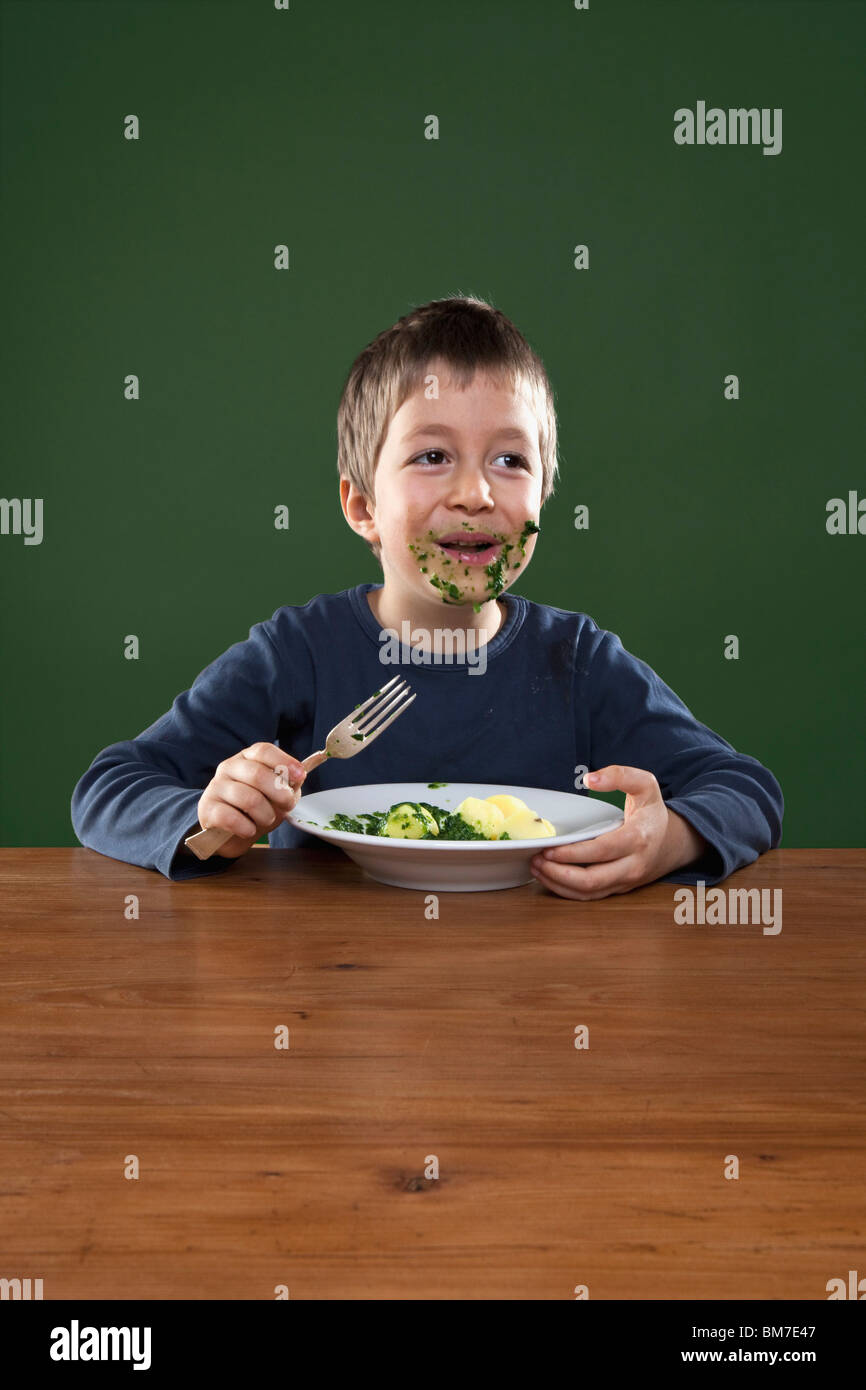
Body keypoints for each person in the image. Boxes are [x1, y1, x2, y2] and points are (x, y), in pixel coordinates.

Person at [70, 295, 783, 899]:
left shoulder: (579, 662)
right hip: (326, 999)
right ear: (362, 507)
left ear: (543, 495)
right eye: (432, 456)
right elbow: (109, 788)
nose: (474, 493)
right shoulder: (298, 654)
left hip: (537, 997)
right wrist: (205, 822)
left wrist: (672, 841)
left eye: (510, 461)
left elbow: (745, 789)